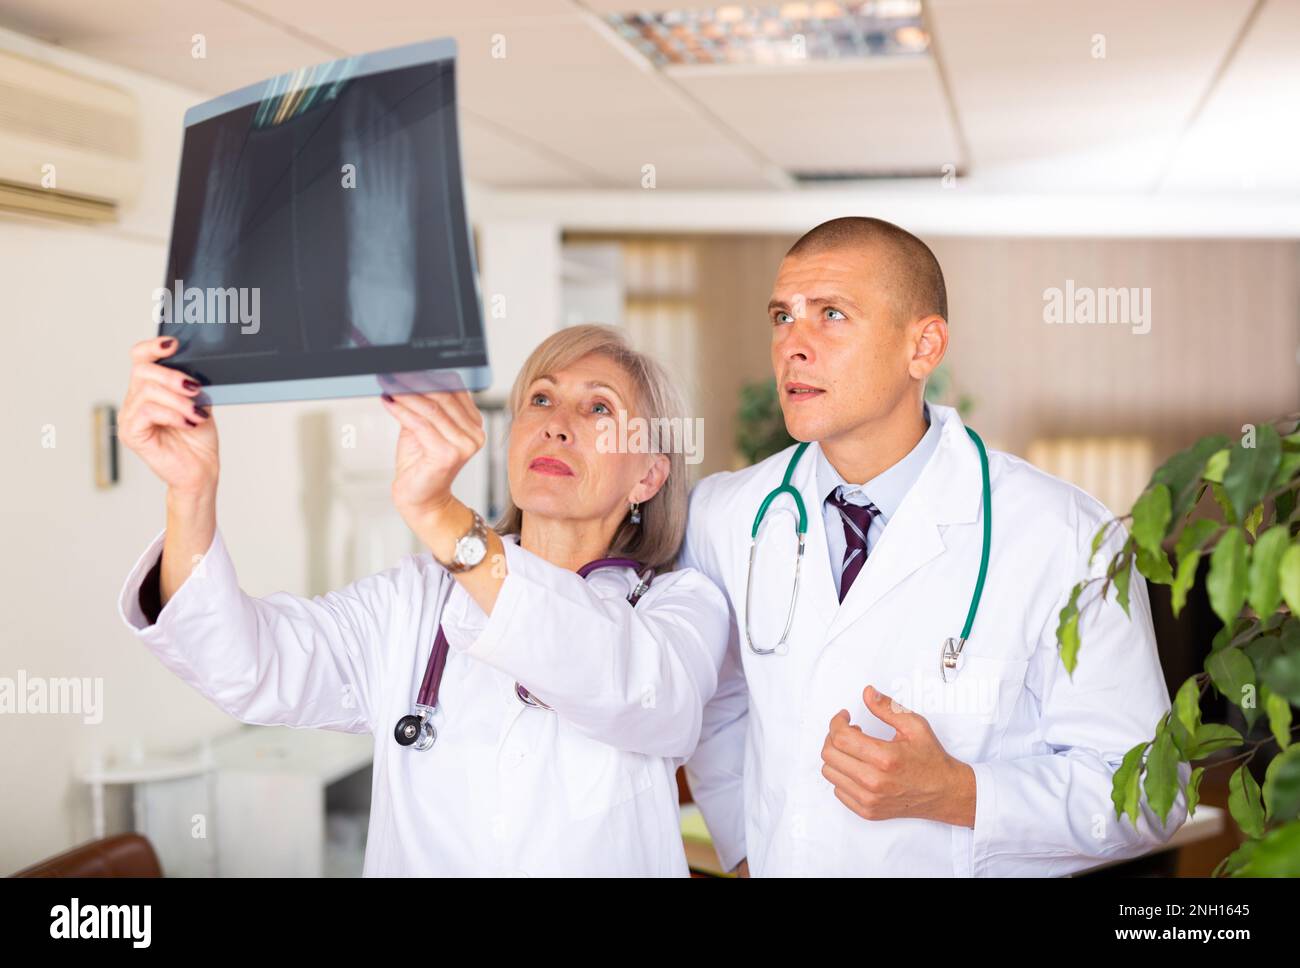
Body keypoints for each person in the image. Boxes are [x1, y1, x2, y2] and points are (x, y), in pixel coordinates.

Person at [116, 323, 728, 876]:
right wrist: (189, 492)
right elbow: (248, 666)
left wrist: (439, 513)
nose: (556, 421)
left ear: (649, 474)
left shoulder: (680, 607)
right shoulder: (414, 599)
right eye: (540, 398)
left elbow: (633, 685)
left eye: (599, 407)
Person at [681, 217, 1188, 876]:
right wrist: (747, 851)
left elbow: (1151, 793)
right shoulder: (728, 512)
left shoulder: (1064, 533)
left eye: (831, 314)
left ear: (923, 347)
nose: (792, 348)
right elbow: (717, 704)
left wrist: (965, 795)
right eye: (782, 317)